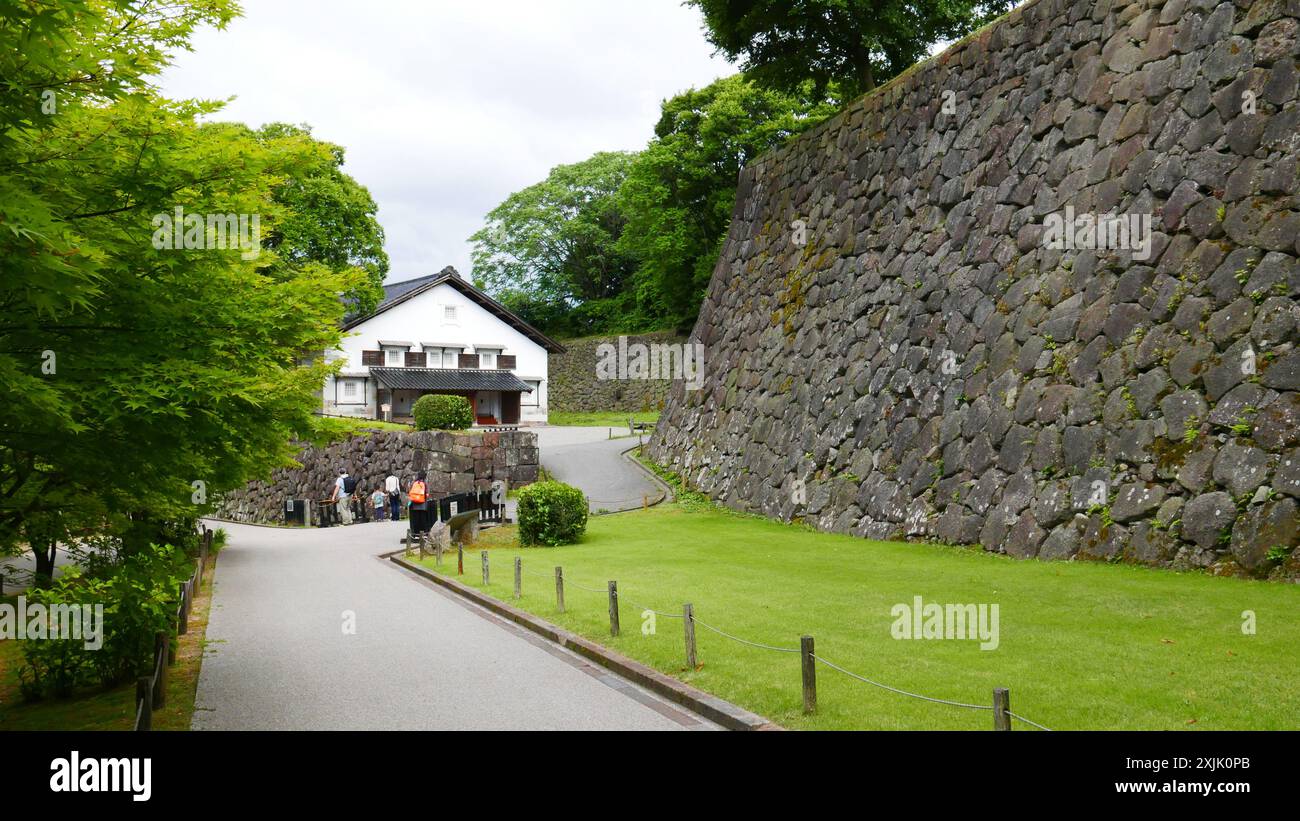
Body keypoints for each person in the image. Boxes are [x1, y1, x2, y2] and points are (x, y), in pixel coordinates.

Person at [407, 471, 430, 536]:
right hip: (423, 505)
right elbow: (427, 494)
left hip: (415, 504)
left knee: (416, 519)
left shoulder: (414, 483)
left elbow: (411, 492)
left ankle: (416, 533)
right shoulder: (424, 483)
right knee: (423, 519)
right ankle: (424, 533)